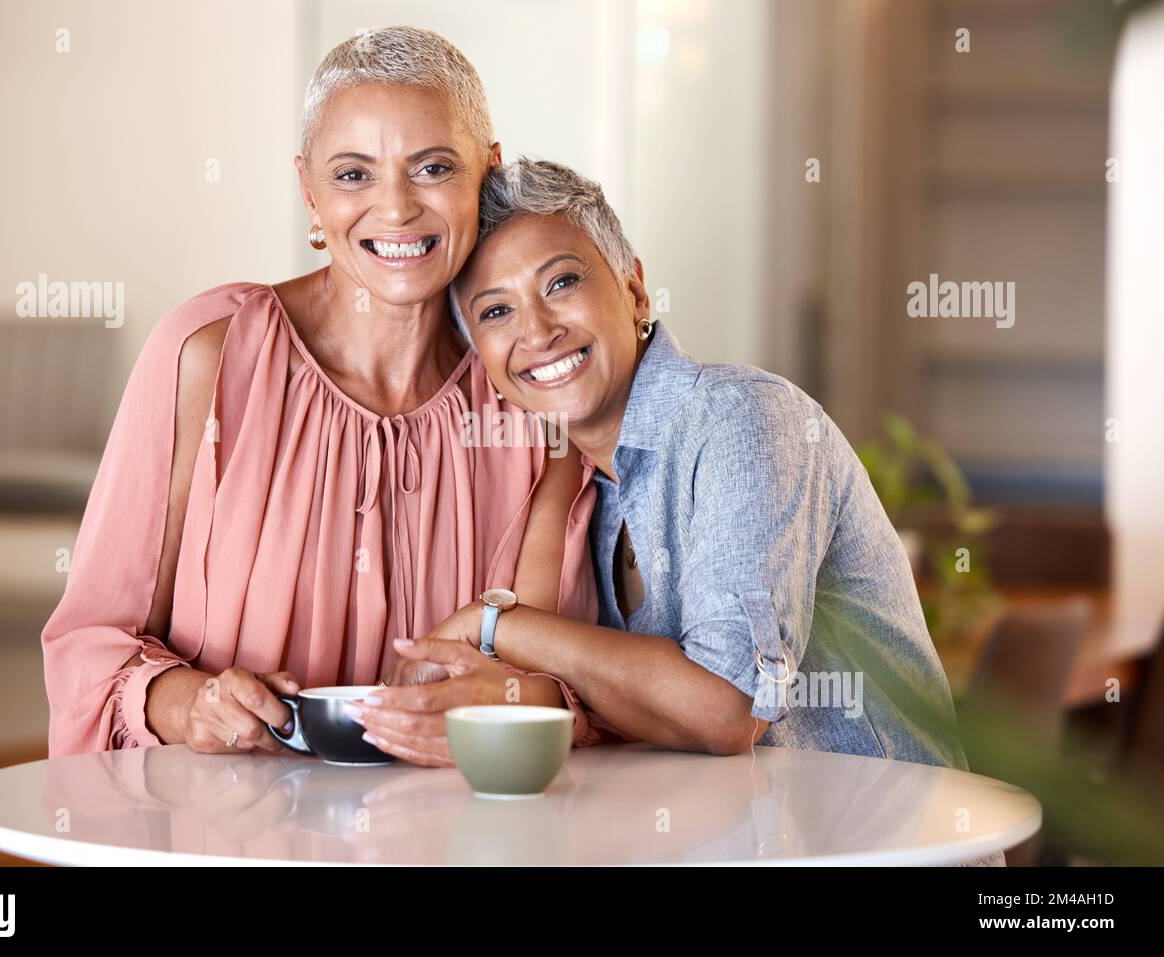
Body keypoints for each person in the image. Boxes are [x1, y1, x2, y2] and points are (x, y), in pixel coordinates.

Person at [41, 31, 599, 760]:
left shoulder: (531, 391)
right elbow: (90, 641)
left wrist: (514, 697)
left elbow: (577, 681)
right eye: (353, 175)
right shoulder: (208, 356)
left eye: (432, 168)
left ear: (486, 174)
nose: (396, 209)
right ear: (309, 189)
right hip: (232, 834)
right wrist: (189, 704)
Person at [359, 158, 972, 773]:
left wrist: (491, 624)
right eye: (496, 312)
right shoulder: (585, 488)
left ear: (633, 289)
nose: (538, 330)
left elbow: (727, 709)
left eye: (561, 283)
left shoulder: (743, 419)